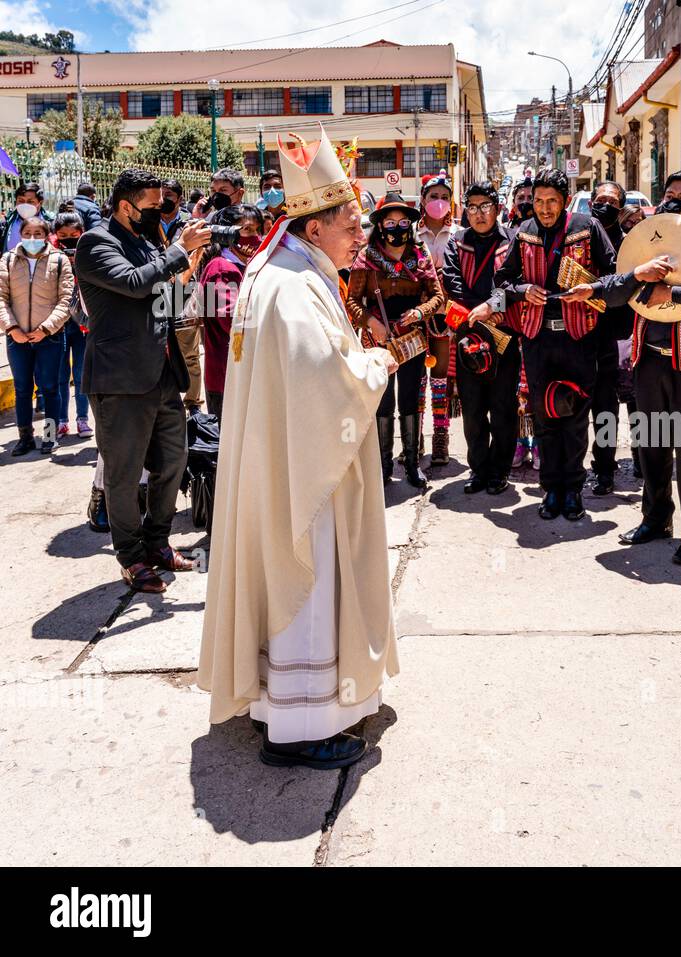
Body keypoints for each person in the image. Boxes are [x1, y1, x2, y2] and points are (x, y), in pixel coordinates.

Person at [198, 127, 398, 771]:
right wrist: (374, 363)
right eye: (352, 225)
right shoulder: (293, 285)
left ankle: (279, 704)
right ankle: (302, 726)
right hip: (304, 471)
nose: (361, 234)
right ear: (315, 229)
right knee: (307, 578)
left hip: (281, 457)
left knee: (291, 577)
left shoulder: (285, 268)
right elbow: (322, 382)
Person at [567, 169, 681, 565]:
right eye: (669, 194)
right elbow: (621, 284)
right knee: (652, 447)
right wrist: (593, 289)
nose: (675, 201)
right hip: (650, 364)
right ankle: (655, 518)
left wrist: (672, 291)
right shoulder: (644, 240)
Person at [77, 169, 211, 592]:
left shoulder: (149, 241)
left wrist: (187, 272)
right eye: (152, 207)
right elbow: (135, 286)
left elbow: (161, 304)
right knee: (123, 472)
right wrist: (177, 250)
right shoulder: (96, 243)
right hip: (120, 379)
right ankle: (131, 557)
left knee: (173, 462)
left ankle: (157, 542)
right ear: (125, 206)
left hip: (162, 375)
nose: (159, 212)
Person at [496, 167, 617, 521]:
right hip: (537, 337)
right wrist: (522, 290)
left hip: (579, 335)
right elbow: (501, 281)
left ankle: (574, 490)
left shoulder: (586, 227)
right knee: (545, 413)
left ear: (564, 201)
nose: (544, 208)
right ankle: (551, 490)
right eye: (538, 201)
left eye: (552, 201)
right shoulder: (524, 233)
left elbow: (613, 273)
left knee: (576, 413)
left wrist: (590, 287)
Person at [347, 192, 446, 489]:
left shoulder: (420, 255)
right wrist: (371, 322)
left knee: (410, 402)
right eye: (390, 222)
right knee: (383, 401)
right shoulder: (366, 257)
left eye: (403, 221)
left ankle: (413, 464)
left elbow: (438, 295)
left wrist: (420, 311)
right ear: (380, 226)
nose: (397, 227)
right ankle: (384, 464)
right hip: (379, 340)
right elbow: (351, 300)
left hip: (413, 339)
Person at [443, 181, 518, 495]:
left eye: (485, 206)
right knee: (472, 408)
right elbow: (451, 279)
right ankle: (478, 469)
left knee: (503, 406)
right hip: (468, 337)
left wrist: (494, 307)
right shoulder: (457, 243)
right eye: (471, 207)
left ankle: (500, 470)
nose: (478, 213)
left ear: (497, 208)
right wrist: (479, 312)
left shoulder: (512, 241)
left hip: (505, 335)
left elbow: (517, 278)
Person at [2, 215, 74, 455]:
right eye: (27, 233)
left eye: (38, 233)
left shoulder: (60, 260)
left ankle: (50, 436)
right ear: (21, 234)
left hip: (50, 337)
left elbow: (66, 300)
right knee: (23, 389)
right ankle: (25, 437)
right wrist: (12, 329)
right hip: (17, 337)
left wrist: (45, 328)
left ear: (46, 235)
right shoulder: (8, 260)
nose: (32, 238)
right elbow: (1, 298)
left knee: (51, 387)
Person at [194, 204, 262, 421]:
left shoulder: (240, 266)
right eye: (247, 230)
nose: (256, 237)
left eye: (258, 230)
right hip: (228, 377)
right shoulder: (222, 269)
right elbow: (235, 321)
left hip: (239, 374)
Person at [585, 178, 632, 495]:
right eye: (601, 199)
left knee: (606, 406)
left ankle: (605, 468)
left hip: (612, 335)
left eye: (613, 202)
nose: (606, 206)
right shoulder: (580, 236)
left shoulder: (631, 243)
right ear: (590, 203)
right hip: (579, 332)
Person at [415, 171, 457, 468]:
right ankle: (413, 435)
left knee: (441, 378)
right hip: (416, 315)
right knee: (416, 377)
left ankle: (440, 436)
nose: (439, 202)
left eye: (444, 197)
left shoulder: (459, 234)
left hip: (445, 315)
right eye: (434, 197)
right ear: (423, 200)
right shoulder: (411, 235)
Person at [51, 212, 92, 438]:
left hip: (83, 323)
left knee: (81, 373)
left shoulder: (89, 253)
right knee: (60, 374)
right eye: (63, 236)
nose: (68, 240)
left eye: (73, 235)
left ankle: (83, 419)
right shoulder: (48, 256)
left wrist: (79, 264)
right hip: (57, 322)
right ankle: (60, 421)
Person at [3, 183, 52, 253]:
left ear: (40, 203)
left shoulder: (50, 222)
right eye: (21, 201)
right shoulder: (6, 222)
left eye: (30, 201)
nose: (25, 204)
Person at [159, 179, 189, 244]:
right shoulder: (150, 220)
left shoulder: (187, 220)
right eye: (160, 195)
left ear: (180, 199)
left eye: (168, 195)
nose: (162, 199)